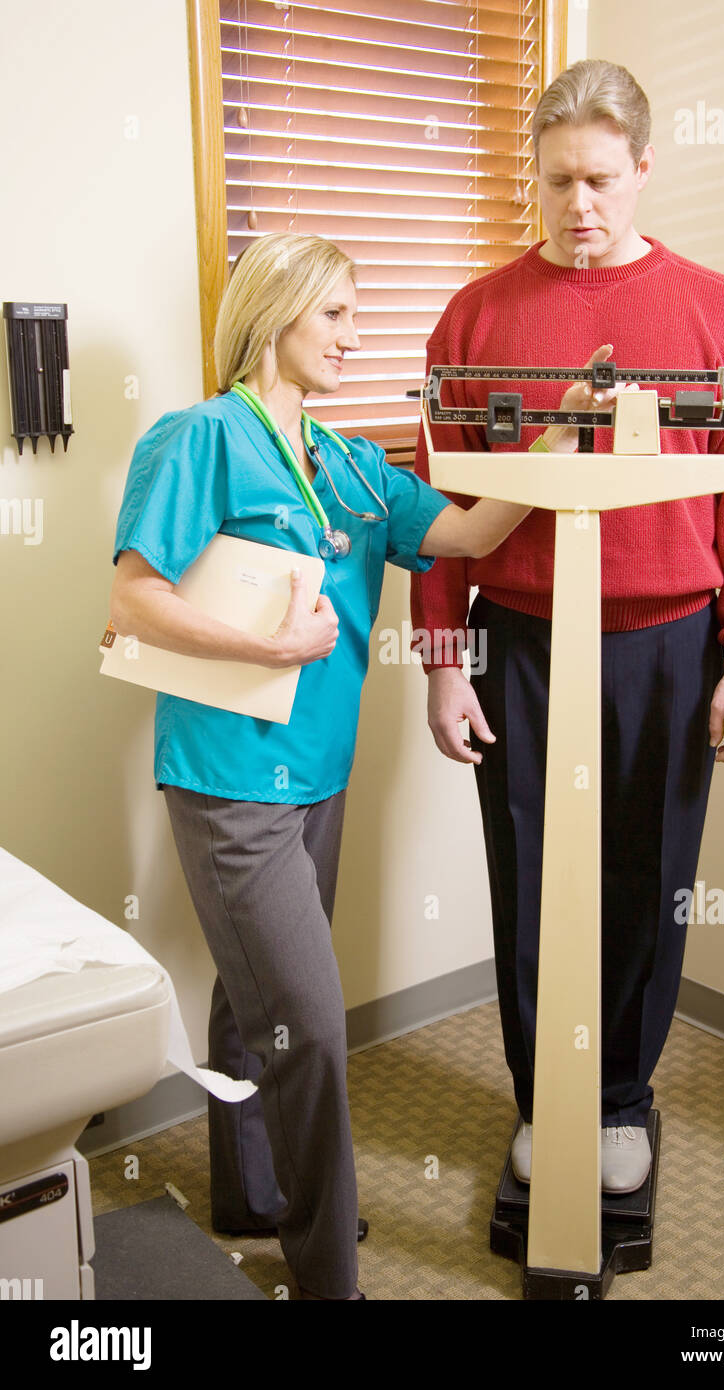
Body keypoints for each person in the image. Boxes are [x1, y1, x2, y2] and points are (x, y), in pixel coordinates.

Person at [107, 231, 614, 1300]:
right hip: (227, 777)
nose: (352, 332)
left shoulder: (344, 463)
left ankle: (253, 1192)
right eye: (333, 312)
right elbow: (133, 599)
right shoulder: (199, 438)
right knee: (314, 1027)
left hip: (317, 778)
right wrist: (263, 648)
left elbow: (470, 534)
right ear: (275, 312)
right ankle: (326, 1273)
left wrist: (564, 430)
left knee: (258, 1008)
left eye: (354, 311)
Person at [410, 59, 724, 1196]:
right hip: (519, 637)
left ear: (641, 172)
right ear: (533, 176)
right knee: (526, 878)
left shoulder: (716, 310)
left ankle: (618, 1098)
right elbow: (434, 508)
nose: (579, 206)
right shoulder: (475, 314)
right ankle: (544, 1102)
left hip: (667, 642)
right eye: (557, 182)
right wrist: (441, 657)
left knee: (644, 876)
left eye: (600, 181)